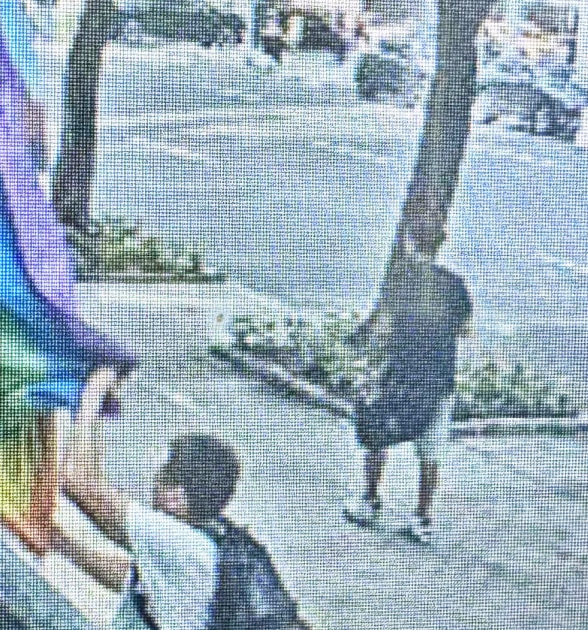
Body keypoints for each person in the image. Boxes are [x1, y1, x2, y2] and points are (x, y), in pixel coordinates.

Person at [54, 368, 309, 629]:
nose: (153, 485)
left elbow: (77, 482)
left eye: (161, 478)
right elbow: (136, 577)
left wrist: (92, 391)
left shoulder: (179, 540)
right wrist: (59, 542)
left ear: (177, 496)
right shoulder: (212, 538)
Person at [343, 224, 473, 545]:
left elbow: (382, 328)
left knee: (377, 435)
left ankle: (370, 501)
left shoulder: (402, 283)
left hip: (400, 377)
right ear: (442, 243)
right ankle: (422, 519)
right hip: (438, 379)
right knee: (430, 453)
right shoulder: (455, 286)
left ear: (410, 242)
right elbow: (466, 331)